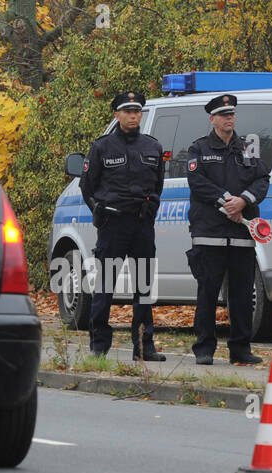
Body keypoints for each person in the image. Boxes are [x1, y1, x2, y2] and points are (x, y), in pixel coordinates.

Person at [80, 90, 167, 361]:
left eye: (137, 111)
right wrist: (99, 211)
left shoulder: (152, 146)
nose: (133, 116)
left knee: (143, 287)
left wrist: (151, 208)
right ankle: (98, 347)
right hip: (113, 224)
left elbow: (158, 185)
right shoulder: (101, 147)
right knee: (105, 286)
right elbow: (87, 187)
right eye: (127, 112)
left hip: (141, 224)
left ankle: (144, 346)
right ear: (117, 115)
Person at [184, 93, 269, 366]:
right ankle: (204, 349)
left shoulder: (248, 148)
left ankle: (240, 349)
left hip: (242, 234)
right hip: (209, 233)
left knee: (242, 295)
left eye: (232, 114)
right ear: (212, 119)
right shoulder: (198, 148)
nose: (229, 118)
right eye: (223, 114)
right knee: (207, 294)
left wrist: (244, 200)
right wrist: (227, 202)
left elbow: (262, 179)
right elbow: (197, 182)